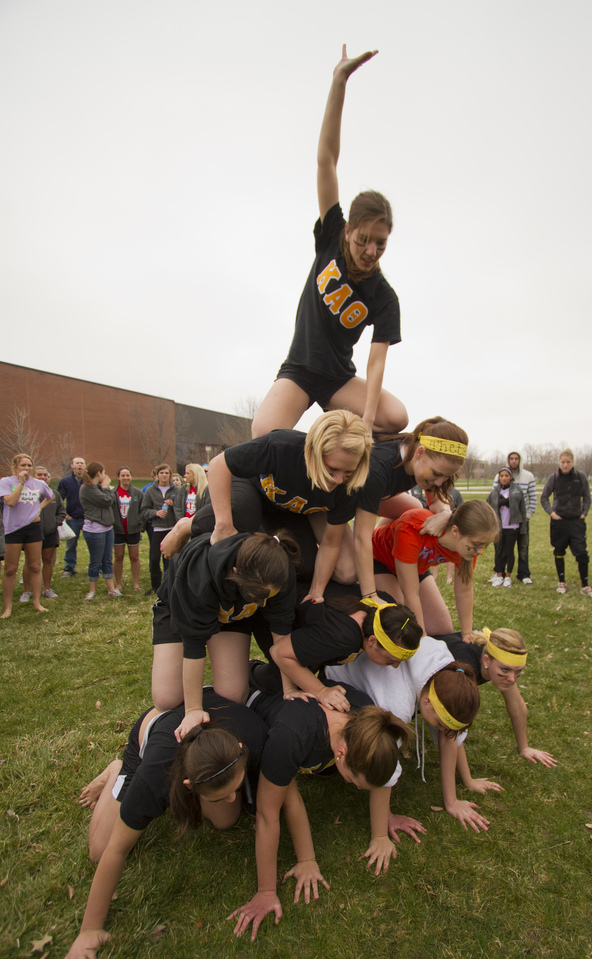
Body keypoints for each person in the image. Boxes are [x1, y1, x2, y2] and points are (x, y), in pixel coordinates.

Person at [48, 694, 267, 959]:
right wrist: (90, 930)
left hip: (205, 716)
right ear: (188, 786)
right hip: (152, 740)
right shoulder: (154, 778)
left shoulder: (253, 734)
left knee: (227, 819)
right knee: (99, 851)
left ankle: (219, 784)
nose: (233, 797)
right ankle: (116, 771)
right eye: (223, 793)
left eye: (235, 788)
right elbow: (116, 850)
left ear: (241, 750)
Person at [251, 47, 407, 439]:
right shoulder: (330, 235)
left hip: (339, 379)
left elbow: (375, 364)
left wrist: (367, 422)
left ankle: (345, 432)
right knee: (263, 430)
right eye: (364, 241)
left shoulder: (384, 297)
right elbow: (327, 160)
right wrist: (339, 82)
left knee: (397, 417)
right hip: (301, 368)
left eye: (381, 244)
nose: (371, 251)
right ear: (349, 230)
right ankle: (318, 445)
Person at [229, 696, 413, 941]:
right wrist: (266, 891)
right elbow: (267, 815)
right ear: (341, 753)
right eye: (355, 783)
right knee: (232, 814)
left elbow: (291, 793)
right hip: (246, 715)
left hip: (288, 737)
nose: (357, 790)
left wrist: (308, 860)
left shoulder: (368, 725)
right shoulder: (291, 738)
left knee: (285, 781)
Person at [326, 632, 501, 831]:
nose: (443, 730)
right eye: (441, 723)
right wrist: (383, 828)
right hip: (337, 681)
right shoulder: (396, 706)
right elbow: (383, 763)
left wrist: (455, 797)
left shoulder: (448, 671)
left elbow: (449, 735)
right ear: (426, 702)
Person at [207, 410, 372, 596]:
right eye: (332, 469)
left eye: (348, 472)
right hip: (253, 491)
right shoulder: (282, 446)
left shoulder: (348, 485)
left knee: (304, 565)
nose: (339, 480)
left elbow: (331, 544)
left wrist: (316, 592)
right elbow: (218, 464)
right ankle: (189, 525)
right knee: (240, 520)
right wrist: (223, 525)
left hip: (290, 510)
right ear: (314, 452)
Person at [155, 530, 300, 738]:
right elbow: (194, 645)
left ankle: (222, 681)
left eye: (269, 597)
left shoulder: (278, 571)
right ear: (235, 572)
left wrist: (289, 689)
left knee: (233, 695)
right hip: (179, 609)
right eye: (258, 596)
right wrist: (193, 710)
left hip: (229, 613)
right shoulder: (199, 578)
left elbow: (281, 630)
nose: (263, 605)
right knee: (166, 699)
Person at [352, 418, 468, 602]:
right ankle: (373, 553)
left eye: (447, 477)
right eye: (437, 474)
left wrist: (446, 515)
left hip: (371, 497)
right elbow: (360, 536)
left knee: (415, 507)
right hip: (340, 502)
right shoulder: (380, 467)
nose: (439, 482)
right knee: (346, 571)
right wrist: (370, 595)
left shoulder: (422, 463)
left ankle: (388, 543)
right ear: (420, 452)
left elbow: (437, 503)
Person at [433, 628, 558, 768]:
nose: (512, 679)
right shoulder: (465, 668)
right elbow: (450, 729)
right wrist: (469, 782)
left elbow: (517, 705)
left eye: (518, 672)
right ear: (486, 660)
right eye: (505, 670)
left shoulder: (493, 656)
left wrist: (524, 748)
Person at [267, 596, 422, 707]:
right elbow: (279, 652)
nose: (395, 667)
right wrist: (321, 691)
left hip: (306, 648)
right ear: (373, 641)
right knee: (274, 687)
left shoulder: (381, 614)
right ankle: (253, 672)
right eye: (390, 660)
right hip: (279, 635)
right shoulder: (343, 637)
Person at [372, 501, 500, 635]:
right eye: (478, 544)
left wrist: (467, 632)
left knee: (442, 628)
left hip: (415, 566)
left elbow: (464, 591)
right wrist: (423, 638)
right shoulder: (414, 527)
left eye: (485, 545)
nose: (481, 551)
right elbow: (410, 593)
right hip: (380, 559)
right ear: (455, 531)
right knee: (401, 614)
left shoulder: (469, 548)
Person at [0, 453, 54, 617]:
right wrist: (21, 482)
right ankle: (8, 607)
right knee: (10, 568)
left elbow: (50, 496)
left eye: (29, 465)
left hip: (33, 528)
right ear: (15, 467)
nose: (27, 468)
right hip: (14, 529)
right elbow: (10, 501)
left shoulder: (38, 483)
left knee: (35, 566)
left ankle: (37, 602)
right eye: (23, 465)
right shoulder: (6, 482)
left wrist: (40, 507)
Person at [540, 449, 592, 597]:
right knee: (559, 551)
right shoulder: (554, 478)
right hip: (559, 522)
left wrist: (584, 513)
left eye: (568, 462)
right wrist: (552, 513)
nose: (565, 465)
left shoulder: (580, 477)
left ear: (573, 463)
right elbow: (544, 497)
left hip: (576, 522)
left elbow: (587, 497)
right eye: (563, 462)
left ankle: (585, 585)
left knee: (582, 553)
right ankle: (562, 582)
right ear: (559, 462)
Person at [20, 466, 66, 602]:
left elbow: (62, 512)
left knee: (47, 560)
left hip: (50, 533)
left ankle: (47, 589)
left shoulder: (55, 494)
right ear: (33, 476)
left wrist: (54, 523)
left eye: (45, 475)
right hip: (31, 534)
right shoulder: (27, 492)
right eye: (39, 475)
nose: (43, 477)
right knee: (30, 562)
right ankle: (26, 591)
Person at [80, 462, 121, 600]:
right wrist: (106, 487)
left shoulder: (97, 488)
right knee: (95, 560)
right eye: (104, 472)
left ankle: (112, 589)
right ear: (99, 473)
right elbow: (107, 500)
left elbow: (110, 500)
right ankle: (92, 590)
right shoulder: (87, 489)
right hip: (94, 530)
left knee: (107, 559)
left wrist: (104, 488)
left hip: (107, 528)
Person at [498, 452, 536, 583]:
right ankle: (500, 573)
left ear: (520, 460)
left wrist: (529, 515)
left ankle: (524, 573)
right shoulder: (502, 474)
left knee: (523, 547)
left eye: (516, 458)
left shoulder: (528, 476)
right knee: (503, 548)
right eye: (511, 459)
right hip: (505, 520)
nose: (514, 461)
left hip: (522, 519)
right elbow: (494, 496)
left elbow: (532, 497)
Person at [140, 464, 178, 595]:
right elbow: (144, 510)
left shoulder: (176, 490)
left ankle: (171, 585)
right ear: (157, 475)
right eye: (161, 473)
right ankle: (156, 586)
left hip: (172, 528)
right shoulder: (150, 490)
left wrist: (173, 505)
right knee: (155, 558)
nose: (164, 475)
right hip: (157, 528)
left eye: (167, 473)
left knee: (172, 558)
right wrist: (155, 513)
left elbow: (181, 507)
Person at [487, 468, 527, 587]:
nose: (504, 478)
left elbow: (522, 509)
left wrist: (523, 526)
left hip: (512, 526)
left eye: (506, 475)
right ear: (499, 477)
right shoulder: (494, 492)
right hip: (498, 527)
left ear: (511, 477)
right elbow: (487, 506)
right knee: (498, 551)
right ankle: (499, 575)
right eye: (502, 475)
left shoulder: (516, 490)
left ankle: (508, 577)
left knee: (510, 552)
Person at [112, 467, 144, 592]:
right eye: (123, 475)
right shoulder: (113, 492)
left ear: (131, 477)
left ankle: (136, 582)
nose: (125, 478)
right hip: (118, 530)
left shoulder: (138, 493)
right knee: (118, 556)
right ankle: (118, 583)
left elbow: (143, 510)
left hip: (133, 530)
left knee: (134, 557)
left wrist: (139, 523)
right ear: (118, 477)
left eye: (128, 475)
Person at [58, 456, 86, 577]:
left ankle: (98, 568)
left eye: (82, 463)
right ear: (72, 465)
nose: (80, 465)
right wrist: (64, 514)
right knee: (71, 545)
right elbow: (59, 499)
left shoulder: (90, 480)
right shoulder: (65, 482)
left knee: (94, 544)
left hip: (89, 518)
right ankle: (69, 568)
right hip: (72, 518)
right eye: (77, 463)